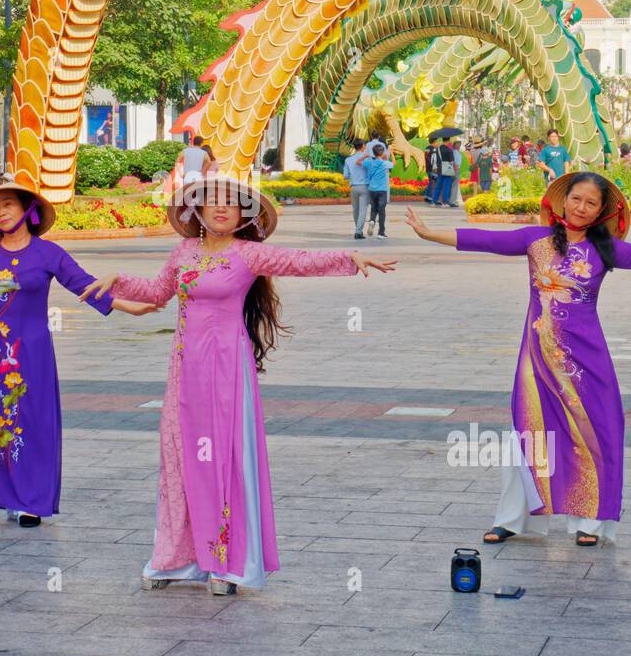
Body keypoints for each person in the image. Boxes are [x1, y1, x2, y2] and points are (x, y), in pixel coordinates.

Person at [81, 175, 395, 594]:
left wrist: (348, 258)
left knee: (224, 460)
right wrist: (116, 279)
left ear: (244, 214)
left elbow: (299, 260)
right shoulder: (184, 253)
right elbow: (157, 293)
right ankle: (178, 557)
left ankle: (225, 562)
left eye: (232, 203)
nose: (222, 208)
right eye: (213, 203)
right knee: (181, 458)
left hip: (228, 370)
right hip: (184, 371)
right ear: (198, 212)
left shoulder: (249, 254)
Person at [404, 172, 631, 546]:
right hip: (537, 362)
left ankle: (591, 522)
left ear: (600, 211)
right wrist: (429, 233)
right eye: (576, 199)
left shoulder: (605, 249)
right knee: (530, 435)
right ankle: (511, 519)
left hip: (588, 362)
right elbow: (486, 240)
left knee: (597, 433)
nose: (581, 208)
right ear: (563, 200)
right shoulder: (536, 242)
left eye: (591, 203)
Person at [0, 176, 161, 528]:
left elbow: (85, 285)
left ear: (27, 209)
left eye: (8, 203)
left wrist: (128, 307)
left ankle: (26, 502)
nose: (1, 211)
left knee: (27, 422)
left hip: (30, 353)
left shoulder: (48, 253)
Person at [356, 142, 392, 239]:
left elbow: (358, 162)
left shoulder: (369, 162)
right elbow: (394, 164)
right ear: (382, 153)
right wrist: (391, 153)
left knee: (374, 207)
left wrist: (365, 156)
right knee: (382, 211)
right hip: (382, 190)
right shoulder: (385, 163)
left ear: (374, 152)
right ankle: (381, 233)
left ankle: (372, 220)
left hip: (372, 189)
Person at [342, 138, 371, 240]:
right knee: (363, 210)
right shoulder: (367, 159)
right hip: (365, 187)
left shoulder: (348, 160)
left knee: (355, 210)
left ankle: (358, 229)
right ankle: (358, 232)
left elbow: (345, 176)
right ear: (363, 146)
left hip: (354, 187)